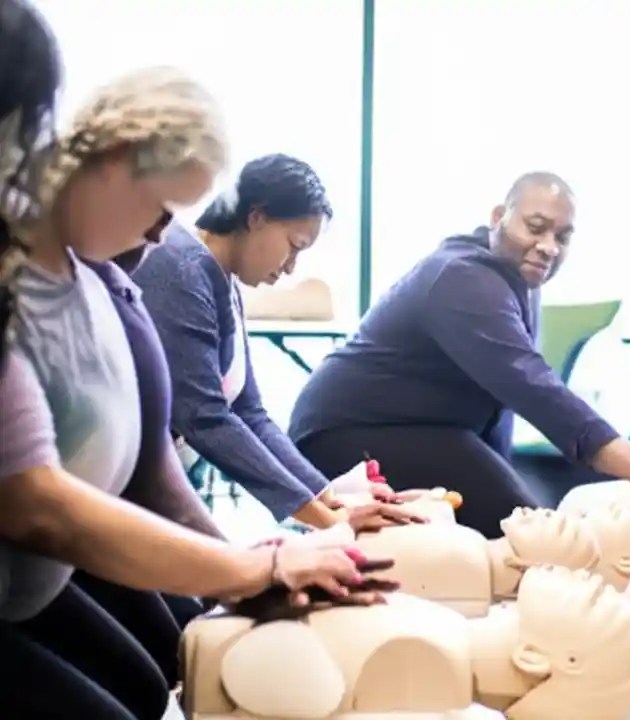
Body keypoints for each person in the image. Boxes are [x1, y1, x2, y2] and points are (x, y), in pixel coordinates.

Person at [0, 55, 388, 719]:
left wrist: (264, 551)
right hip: (41, 558)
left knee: (149, 677)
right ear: (114, 161)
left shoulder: (110, 277)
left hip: (42, 575)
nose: (162, 231)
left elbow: (166, 458)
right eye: (161, 207)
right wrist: (258, 564)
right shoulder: (139, 270)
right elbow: (38, 503)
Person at [290, 171, 630, 537]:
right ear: (498, 217)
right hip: (343, 437)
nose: (548, 247)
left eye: (562, 236)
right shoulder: (462, 280)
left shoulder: (518, 279)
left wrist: (500, 483)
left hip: (430, 430)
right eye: (536, 227)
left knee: (536, 514)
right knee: (532, 534)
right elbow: (537, 392)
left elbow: (499, 407)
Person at [131, 154, 403, 527]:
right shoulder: (183, 272)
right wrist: (328, 520)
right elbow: (203, 416)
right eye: (293, 245)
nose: (291, 267)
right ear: (256, 218)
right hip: (133, 482)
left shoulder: (220, 277)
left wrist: (329, 497)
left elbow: (249, 411)